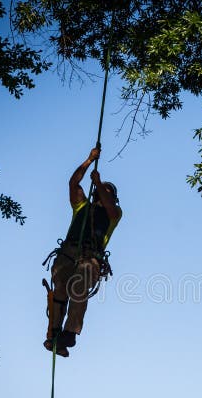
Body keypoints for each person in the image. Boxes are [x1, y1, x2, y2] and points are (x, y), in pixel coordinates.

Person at [44, 146, 122, 357]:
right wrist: (89, 160)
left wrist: (98, 183)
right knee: (60, 290)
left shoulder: (114, 214)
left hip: (90, 257)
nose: (103, 192)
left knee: (78, 288)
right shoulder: (81, 206)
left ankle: (70, 333)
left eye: (108, 191)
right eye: (101, 190)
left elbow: (110, 207)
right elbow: (73, 184)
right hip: (68, 252)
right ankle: (55, 333)